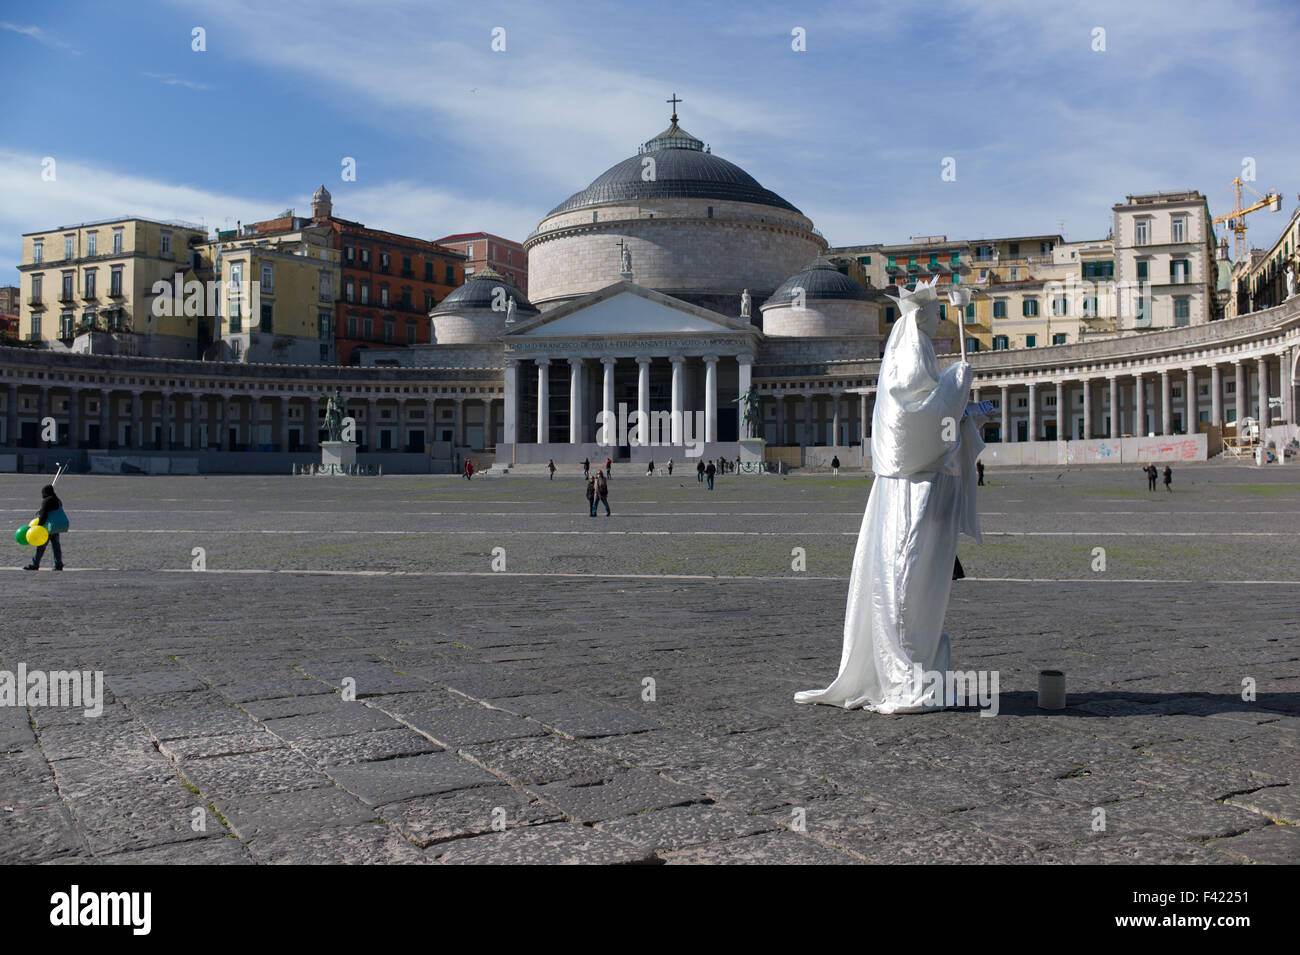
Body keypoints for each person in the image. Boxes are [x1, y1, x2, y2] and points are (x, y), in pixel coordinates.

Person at [796, 275, 984, 714]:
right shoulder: (911, 348)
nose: (940, 318)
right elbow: (914, 416)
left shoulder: (910, 350)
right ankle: (905, 672)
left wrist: (963, 409)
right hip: (912, 490)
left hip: (921, 486)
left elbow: (926, 415)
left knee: (915, 583)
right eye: (937, 311)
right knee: (907, 580)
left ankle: (913, 667)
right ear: (923, 314)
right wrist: (958, 382)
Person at [23, 484, 65, 572]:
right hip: (55, 526)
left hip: (47, 527)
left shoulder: (47, 501)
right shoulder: (57, 500)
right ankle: (58, 565)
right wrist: (42, 510)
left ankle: (35, 564)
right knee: (56, 546)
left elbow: (44, 515)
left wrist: (39, 527)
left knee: (41, 546)